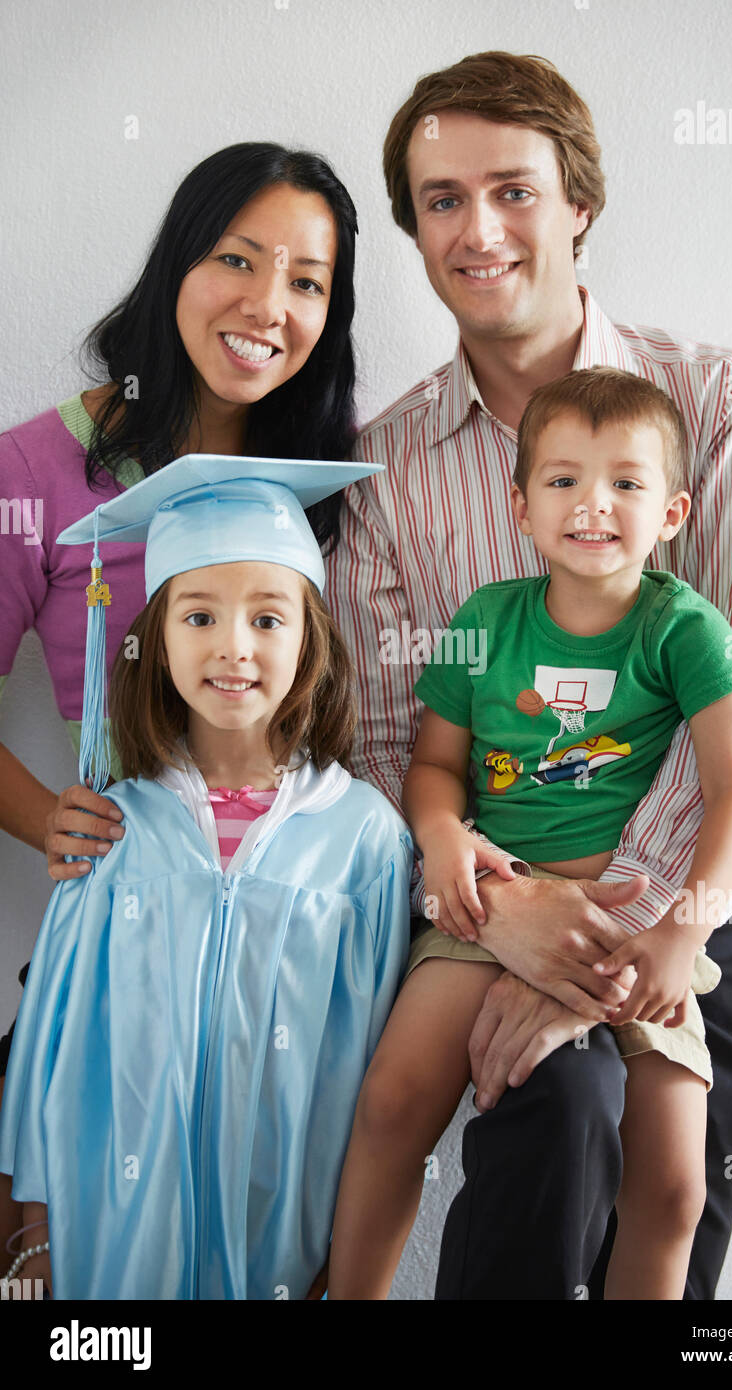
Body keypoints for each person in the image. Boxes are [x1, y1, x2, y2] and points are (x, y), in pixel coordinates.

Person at [324, 52, 732, 1299]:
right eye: (441, 200)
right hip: (483, 909)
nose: (477, 230)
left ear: (578, 202)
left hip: (690, 924)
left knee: (668, 1209)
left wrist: (597, 944)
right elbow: (387, 743)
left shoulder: (725, 404)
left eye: (513, 190)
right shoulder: (387, 473)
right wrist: (502, 911)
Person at [328, 367, 732, 1299]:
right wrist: (442, 837)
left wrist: (681, 932)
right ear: (521, 506)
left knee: (675, 1188)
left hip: (633, 934)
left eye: (625, 483)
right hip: (491, 911)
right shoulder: (484, 621)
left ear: (674, 513)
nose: (592, 504)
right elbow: (432, 763)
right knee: (393, 1101)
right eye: (564, 480)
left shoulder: (685, 631)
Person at [0, 140, 360, 1268]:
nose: (269, 306)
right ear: (176, 266)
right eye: (236, 259)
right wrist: (47, 819)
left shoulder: (324, 472)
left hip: (283, 940)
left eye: (308, 281)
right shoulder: (34, 474)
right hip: (120, 924)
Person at [0, 454, 411, 1299]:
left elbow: (380, 1073)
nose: (234, 647)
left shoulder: (363, 838)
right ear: (154, 642)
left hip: (286, 1241)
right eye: (198, 616)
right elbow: (53, 1050)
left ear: (310, 638)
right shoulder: (111, 832)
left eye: (268, 618)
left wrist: (348, 1254)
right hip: (112, 1248)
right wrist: (34, 1233)